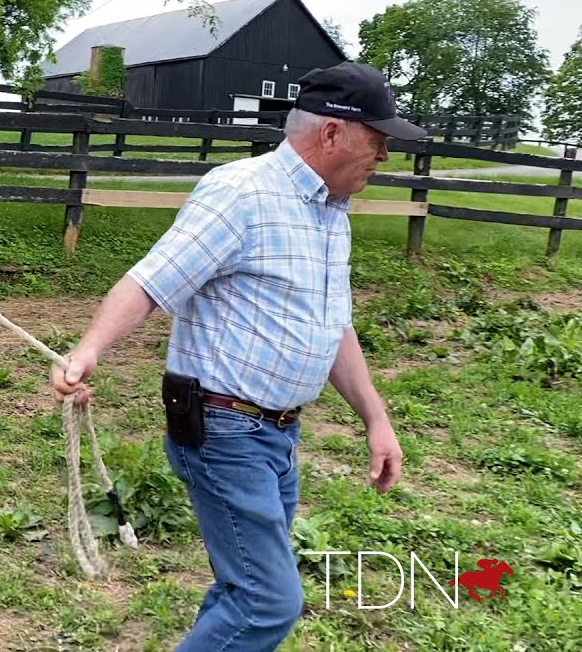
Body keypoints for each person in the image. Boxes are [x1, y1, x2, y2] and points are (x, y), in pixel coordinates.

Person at [51, 61, 418, 651]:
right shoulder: (242, 193)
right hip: (225, 430)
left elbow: (333, 324)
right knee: (268, 601)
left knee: (243, 589)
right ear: (331, 134)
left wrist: (375, 417)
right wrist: (88, 349)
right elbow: (152, 281)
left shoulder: (331, 213)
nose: (384, 156)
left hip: (278, 435)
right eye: (377, 141)